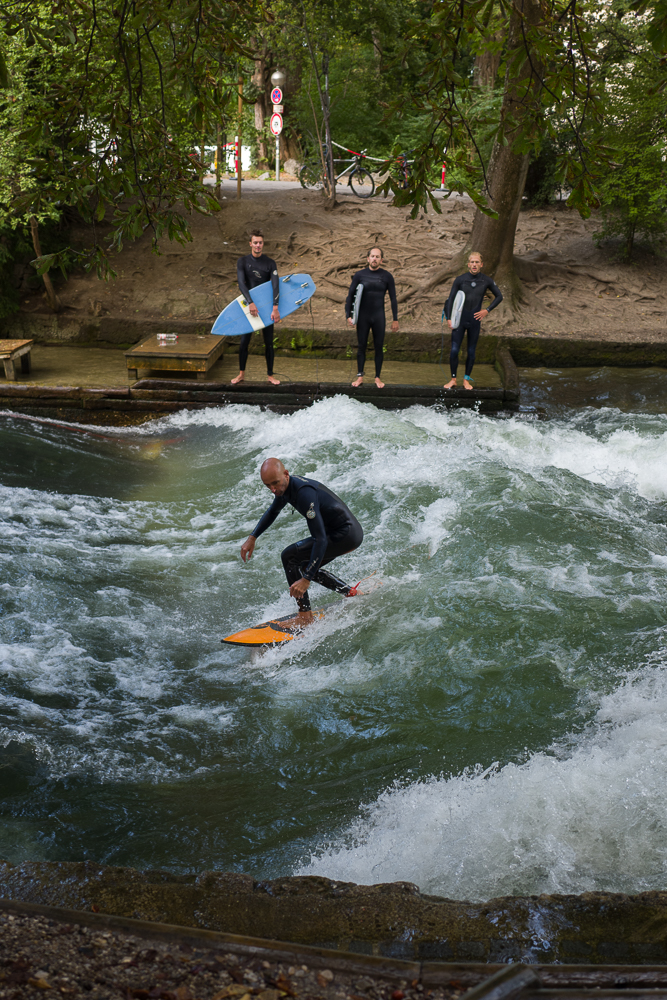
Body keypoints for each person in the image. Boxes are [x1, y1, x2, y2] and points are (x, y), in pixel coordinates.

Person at [240, 458, 363, 626]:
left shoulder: (304, 494)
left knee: (289, 556)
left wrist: (306, 580)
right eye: (267, 485)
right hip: (341, 533)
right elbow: (273, 511)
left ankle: (305, 617)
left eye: (275, 483)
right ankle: (351, 593)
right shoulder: (285, 487)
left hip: (346, 535)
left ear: (286, 474)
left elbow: (320, 539)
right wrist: (252, 537)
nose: (273, 489)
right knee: (305, 565)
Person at [443, 252, 503, 390]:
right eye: (472, 262)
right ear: (468, 264)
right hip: (459, 320)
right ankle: (453, 379)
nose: (474, 264)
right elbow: (451, 299)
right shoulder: (460, 280)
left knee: (471, 351)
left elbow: (499, 296)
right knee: (454, 350)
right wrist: (449, 318)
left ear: (481, 264)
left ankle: (466, 380)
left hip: (475, 320)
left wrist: (487, 310)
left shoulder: (486, 280)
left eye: (477, 262)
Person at [345, 247, 399, 389]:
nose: (374, 259)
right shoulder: (359, 275)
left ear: (381, 260)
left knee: (379, 347)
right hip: (363, 316)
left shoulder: (387, 276)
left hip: (378, 316)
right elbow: (350, 296)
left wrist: (395, 319)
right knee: (361, 346)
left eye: (377, 257)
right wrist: (348, 315)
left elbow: (393, 298)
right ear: (368, 258)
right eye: (372, 256)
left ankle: (377, 377)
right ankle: (360, 377)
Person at [232, 230, 281, 386]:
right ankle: (241, 374)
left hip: (266, 308)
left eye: (260, 242)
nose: (258, 245)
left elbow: (275, 285)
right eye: (255, 242)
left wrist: (275, 307)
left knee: (269, 343)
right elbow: (241, 284)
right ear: (250, 244)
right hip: (249, 306)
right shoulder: (242, 261)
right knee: (244, 342)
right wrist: (250, 302)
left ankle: (270, 375)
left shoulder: (270, 263)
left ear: (263, 244)